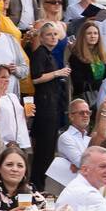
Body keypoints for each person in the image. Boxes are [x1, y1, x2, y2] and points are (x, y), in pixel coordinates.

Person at [28, 23, 69, 188]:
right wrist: (57, 73)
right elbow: (36, 78)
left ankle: (41, 186)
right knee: (43, 152)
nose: (53, 37)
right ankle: (36, 185)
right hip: (44, 107)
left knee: (49, 152)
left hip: (53, 105)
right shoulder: (39, 53)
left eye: (55, 34)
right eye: (49, 34)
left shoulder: (50, 55)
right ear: (42, 37)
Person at [0, 145, 53, 211]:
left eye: (20, 166)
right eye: (9, 165)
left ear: (25, 171)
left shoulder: (30, 188)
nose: (15, 169)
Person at [0, 63, 29, 151]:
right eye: (3, 77)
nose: (7, 80)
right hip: (4, 145)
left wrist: (27, 115)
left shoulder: (13, 96)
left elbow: (19, 120)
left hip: (20, 143)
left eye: (8, 77)